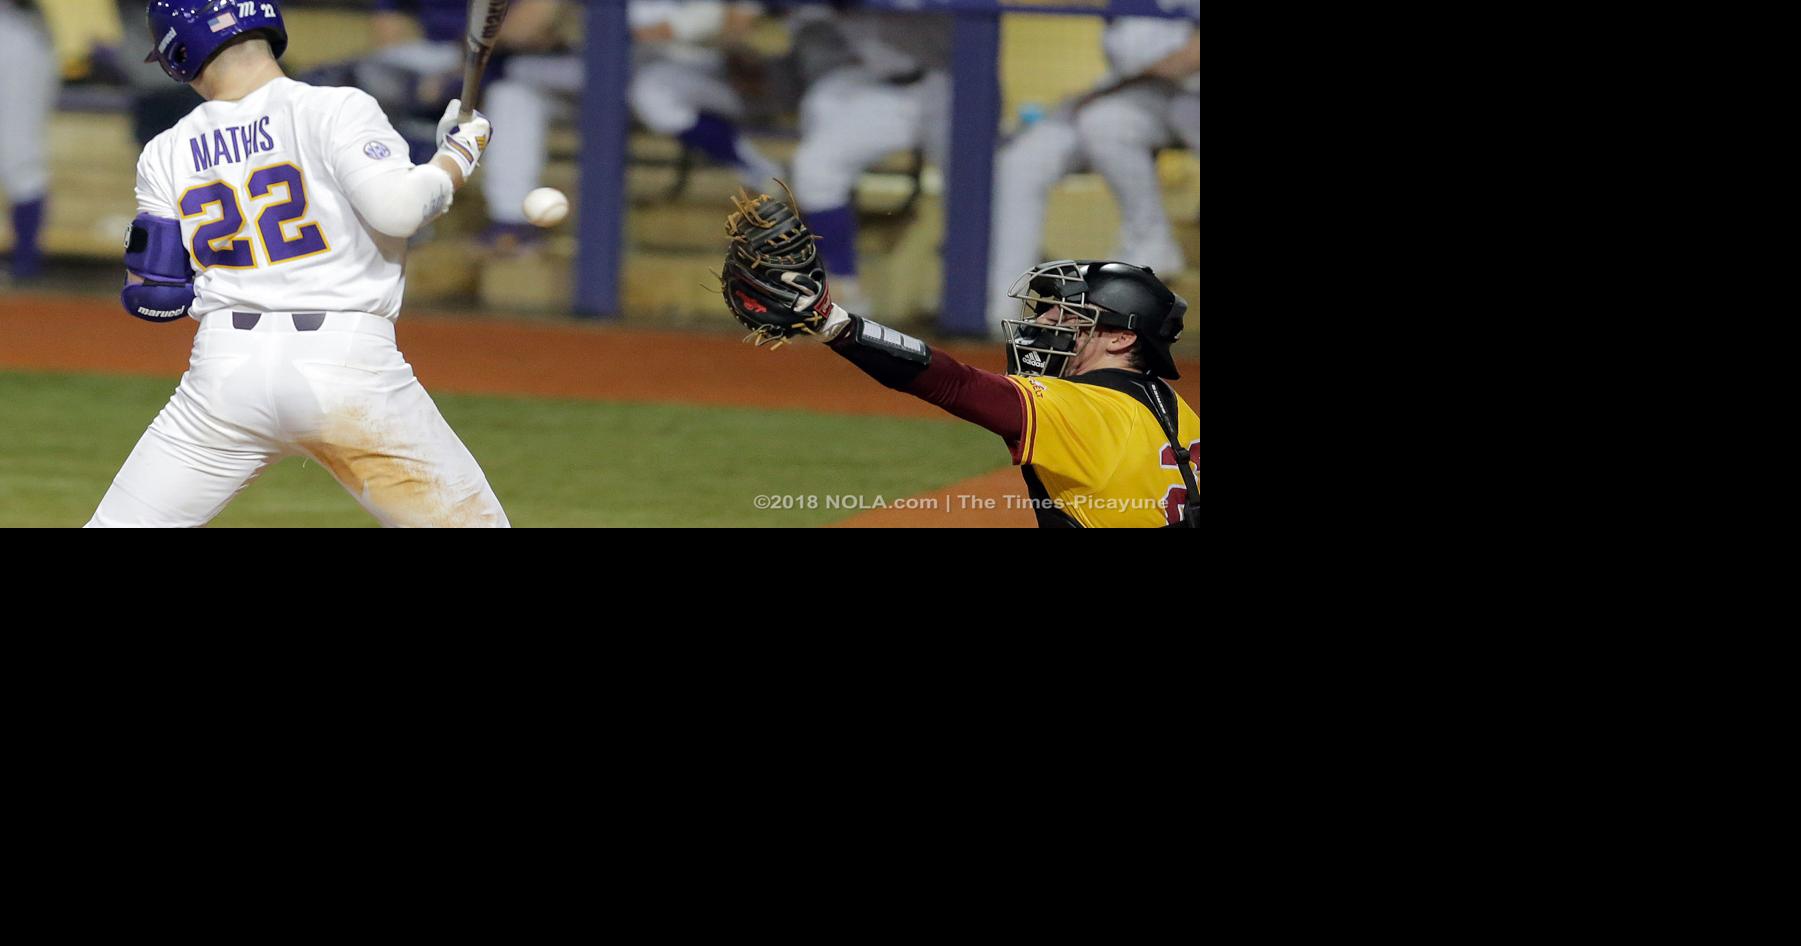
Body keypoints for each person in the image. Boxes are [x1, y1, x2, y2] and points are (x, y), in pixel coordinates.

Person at [87, 0, 508, 527]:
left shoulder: (166, 151)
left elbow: (156, 296)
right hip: (347, 369)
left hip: (223, 380)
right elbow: (400, 209)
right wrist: (457, 155)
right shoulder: (335, 109)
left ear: (179, 56)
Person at [802, 258, 1198, 528]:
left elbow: (956, 384)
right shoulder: (1172, 408)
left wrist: (835, 325)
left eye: (1068, 315)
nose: (1044, 321)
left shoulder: (1077, 407)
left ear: (1121, 339)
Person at [478, 0, 782, 248]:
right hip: (606, 72)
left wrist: (665, 30)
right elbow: (515, 33)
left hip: (695, 72)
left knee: (652, 90)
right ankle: (512, 222)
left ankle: (760, 171)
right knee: (513, 89)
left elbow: (735, 28)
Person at [987, 1, 1200, 334]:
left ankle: (1150, 241)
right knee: (1025, 159)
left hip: (1183, 93)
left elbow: (1187, 56)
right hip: (1136, 92)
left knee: (1103, 116)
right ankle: (1001, 308)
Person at [787, 6, 952, 315]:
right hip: (884, 90)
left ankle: (965, 292)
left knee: (968, 190)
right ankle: (843, 292)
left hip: (952, 86)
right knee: (815, 166)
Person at [0, 0, 59, 283]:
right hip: (23, 32)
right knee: (21, 158)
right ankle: (25, 261)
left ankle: (25, 262)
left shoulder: (23, 32)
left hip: (17, 33)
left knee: (20, 155)